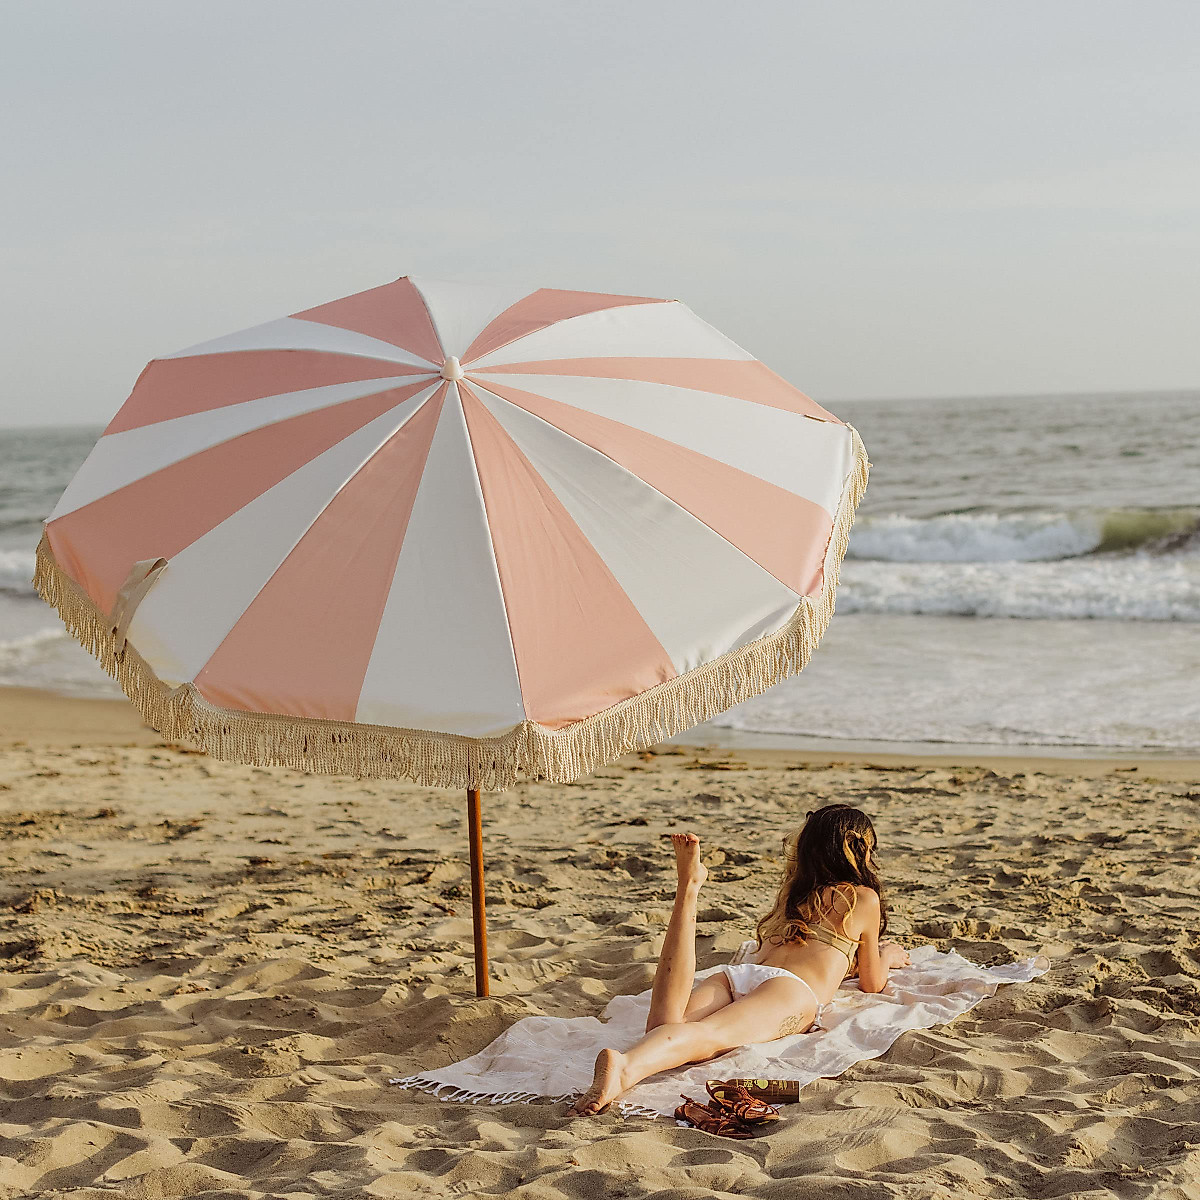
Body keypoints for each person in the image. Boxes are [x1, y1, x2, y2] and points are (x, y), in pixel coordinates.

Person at [567, 803, 910, 1116]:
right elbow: (872, 982)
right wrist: (887, 955)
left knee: (664, 1029)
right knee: (708, 1035)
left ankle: (689, 887)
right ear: (859, 850)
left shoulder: (795, 892)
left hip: (741, 974)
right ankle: (625, 1069)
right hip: (792, 990)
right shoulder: (862, 898)